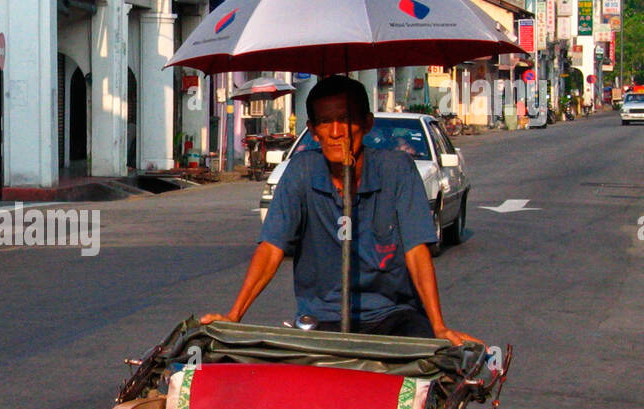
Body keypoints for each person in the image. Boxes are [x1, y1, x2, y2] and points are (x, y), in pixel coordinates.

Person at [201, 75, 478, 345]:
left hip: (392, 315)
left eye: (345, 120)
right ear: (313, 130)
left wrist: (438, 326)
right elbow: (271, 248)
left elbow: (416, 251)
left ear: (366, 124)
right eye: (325, 122)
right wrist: (234, 315)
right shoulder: (301, 171)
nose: (336, 132)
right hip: (322, 318)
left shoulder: (397, 170)